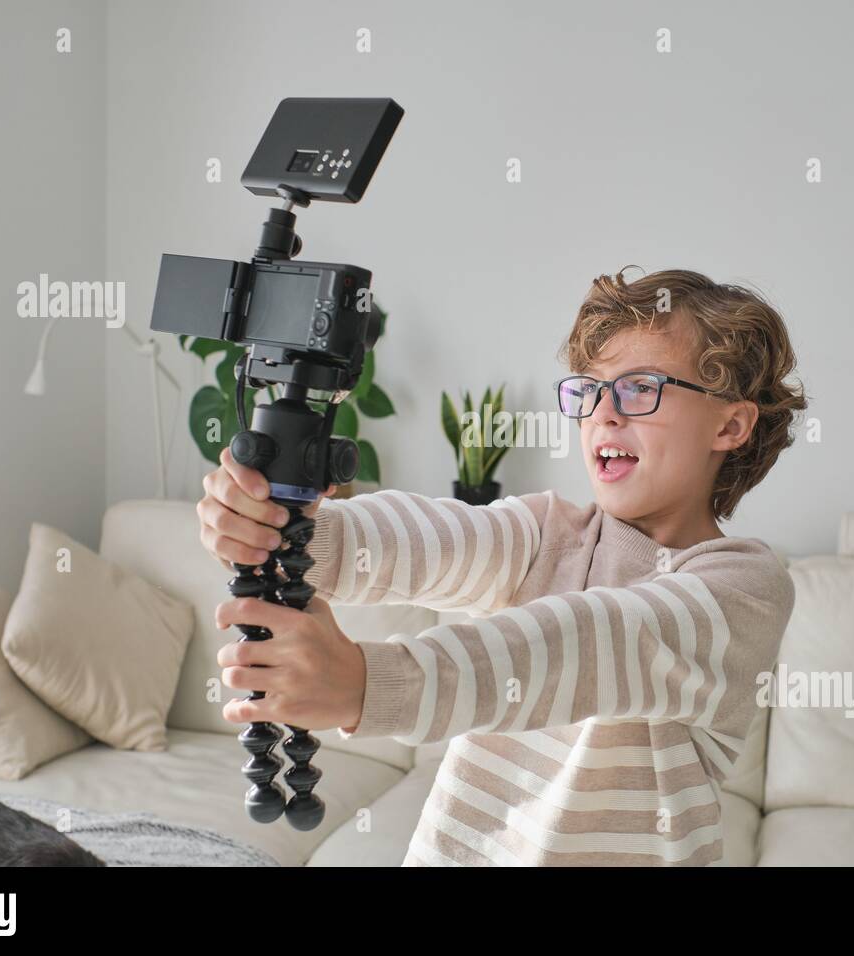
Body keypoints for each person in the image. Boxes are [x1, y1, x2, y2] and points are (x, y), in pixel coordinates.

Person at [197, 265, 809, 865]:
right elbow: (431, 539)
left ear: (730, 424)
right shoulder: (547, 533)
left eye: (640, 387)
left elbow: (594, 641)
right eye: (591, 389)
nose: (604, 412)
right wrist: (284, 528)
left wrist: (371, 684)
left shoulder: (743, 587)